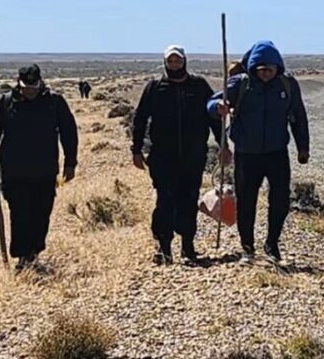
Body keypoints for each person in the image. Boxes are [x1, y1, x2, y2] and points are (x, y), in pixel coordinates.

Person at [209, 40, 310, 263]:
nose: (265, 74)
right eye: (262, 69)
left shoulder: (287, 84)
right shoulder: (241, 83)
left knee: (281, 200)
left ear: (277, 68)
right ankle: (247, 248)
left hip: (277, 153)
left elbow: (298, 116)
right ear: (254, 67)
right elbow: (213, 102)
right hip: (247, 154)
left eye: (270, 70)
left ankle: (272, 244)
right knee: (246, 202)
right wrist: (218, 108)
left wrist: (303, 147)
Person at [131, 45, 224, 265]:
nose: (174, 64)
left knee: (189, 199)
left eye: (178, 61)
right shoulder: (155, 87)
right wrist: (135, 149)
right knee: (165, 200)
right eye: (171, 61)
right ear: (165, 62)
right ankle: (163, 246)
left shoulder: (199, 86)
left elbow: (214, 118)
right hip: (162, 157)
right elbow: (140, 119)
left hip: (193, 156)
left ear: (185, 61)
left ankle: (188, 245)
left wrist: (223, 146)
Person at [0, 64, 78, 271]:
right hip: (14, 172)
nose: (29, 91)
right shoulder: (6, 102)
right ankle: (23, 258)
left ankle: (34, 252)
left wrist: (70, 162)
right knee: (19, 215)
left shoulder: (54, 102)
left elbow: (68, 131)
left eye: (33, 86)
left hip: (44, 171)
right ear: (19, 83)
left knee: (41, 214)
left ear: (40, 82)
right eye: (26, 86)